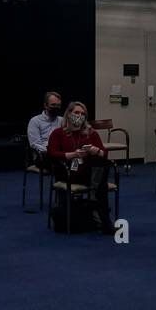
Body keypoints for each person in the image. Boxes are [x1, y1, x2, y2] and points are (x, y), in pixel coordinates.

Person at [47, 100, 114, 233]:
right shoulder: (58, 133)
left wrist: (96, 151)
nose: (79, 115)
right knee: (101, 184)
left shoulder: (91, 132)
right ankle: (105, 220)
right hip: (68, 171)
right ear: (69, 114)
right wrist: (72, 154)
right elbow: (52, 154)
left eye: (83, 113)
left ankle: (94, 199)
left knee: (102, 164)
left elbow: (104, 153)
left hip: (88, 173)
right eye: (76, 112)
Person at [26, 91, 63, 158]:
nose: (56, 107)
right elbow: (35, 144)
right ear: (45, 105)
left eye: (58, 105)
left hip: (61, 154)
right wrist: (52, 152)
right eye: (53, 105)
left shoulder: (63, 120)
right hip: (43, 156)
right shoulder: (35, 121)